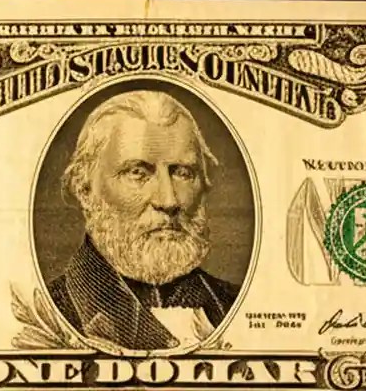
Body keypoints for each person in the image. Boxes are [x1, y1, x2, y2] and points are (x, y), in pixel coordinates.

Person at [46, 90, 239, 350]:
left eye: (183, 173)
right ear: (84, 189)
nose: (169, 200)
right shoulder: (53, 311)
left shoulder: (232, 303)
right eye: (137, 173)